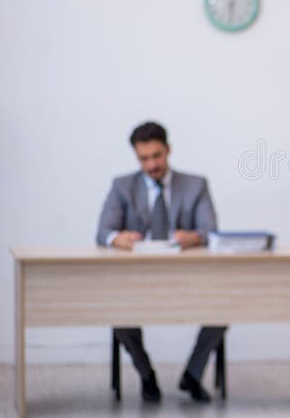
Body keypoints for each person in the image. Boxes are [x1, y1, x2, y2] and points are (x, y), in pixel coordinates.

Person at [96, 121, 226, 403]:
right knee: (117, 311)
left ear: (168, 150)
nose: (151, 164)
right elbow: (103, 232)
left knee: (224, 305)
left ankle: (192, 374)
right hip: (136, 280)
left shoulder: (195, 185)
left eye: (157, 156)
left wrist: (194, 236)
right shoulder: (122, 186)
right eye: (143, 158)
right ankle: (146, 375)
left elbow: (210, 230)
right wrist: (117, 238)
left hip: (187, 278)